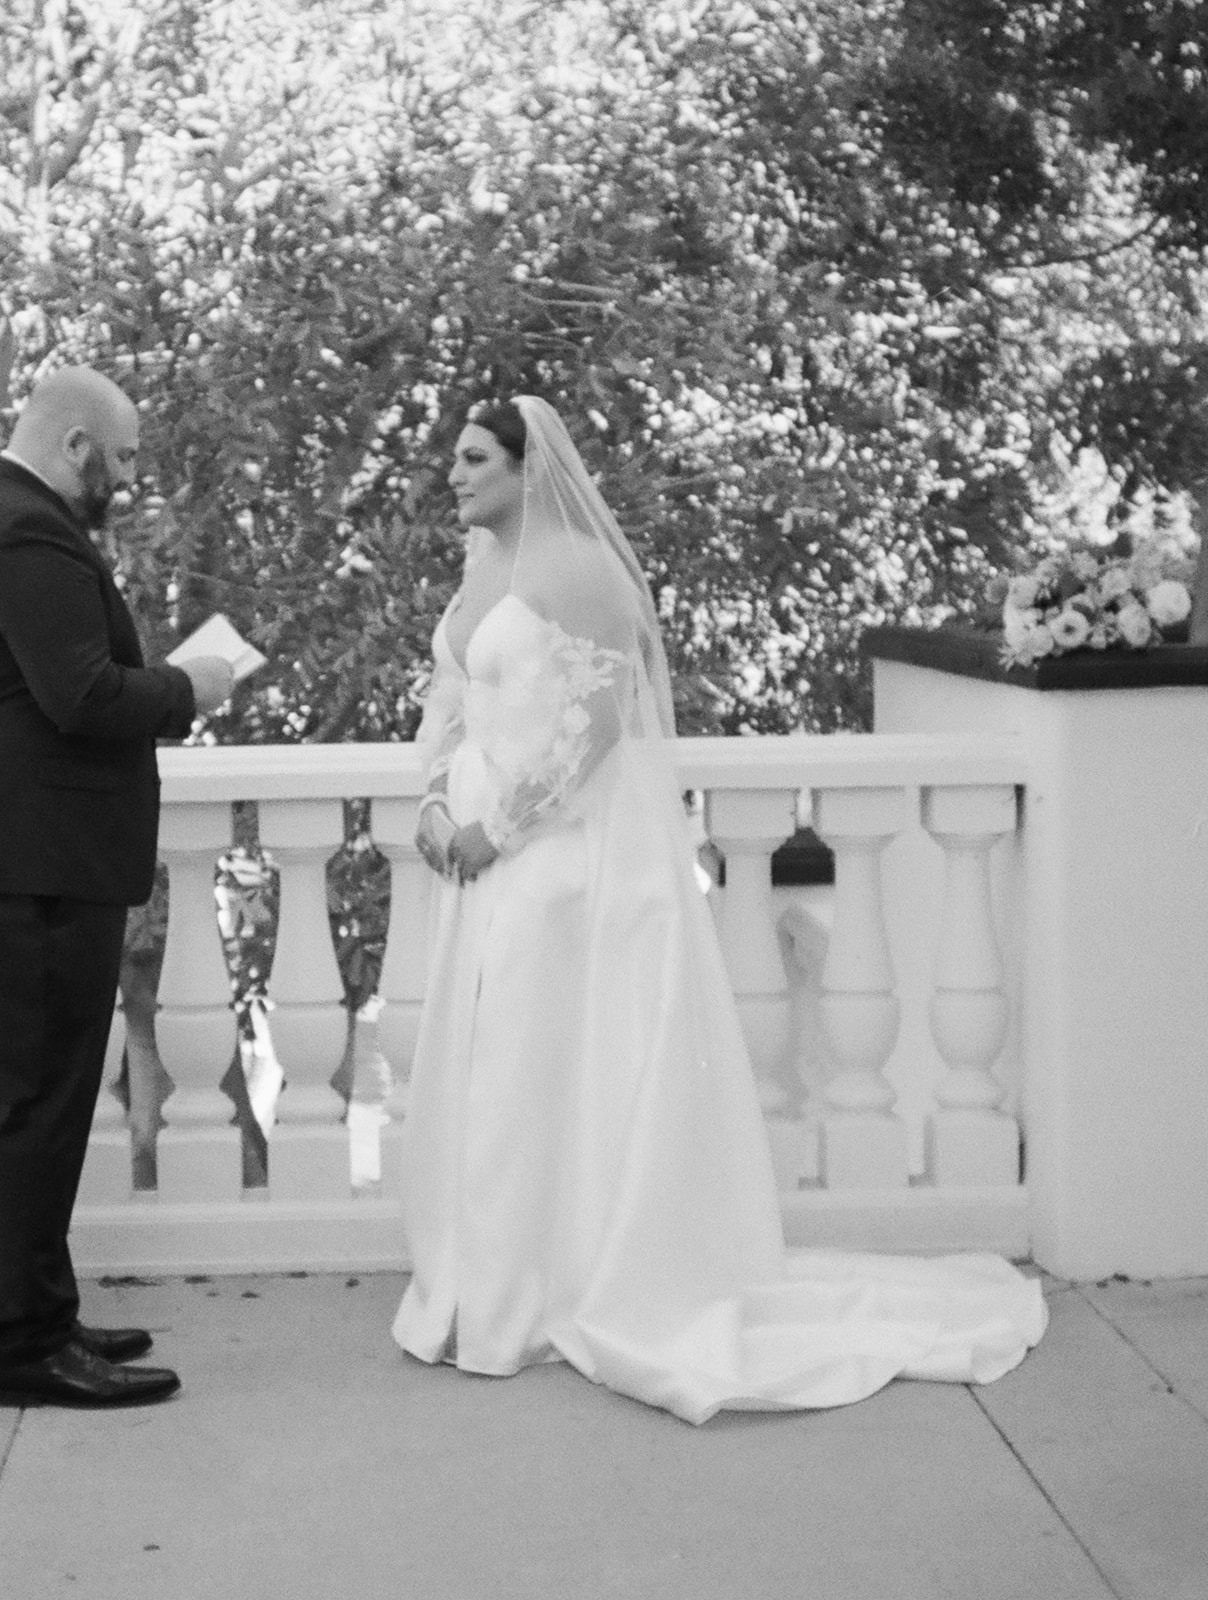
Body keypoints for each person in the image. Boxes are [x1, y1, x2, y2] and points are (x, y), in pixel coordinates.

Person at [391, 395, 1047, 1421]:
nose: (455, 476)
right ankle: (483, 1282)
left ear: (529, 468)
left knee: (543, 1060)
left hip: (556, 861)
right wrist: (434, 798)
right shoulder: (482, 573)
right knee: (490, 1066)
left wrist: (500, 827)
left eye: (474, 459)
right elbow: (446, 697)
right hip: (475, 861)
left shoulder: (580, 573)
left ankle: (552, 1287)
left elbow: (599, 723)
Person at [0, 366, 234, 1409]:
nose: (124, 480)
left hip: (14, 853)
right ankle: (30, 1344)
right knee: (37, 1099)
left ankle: (30, 1310)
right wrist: (193, 687)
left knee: (24, 1097)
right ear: (77, 445)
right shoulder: (23, 529)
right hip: (20, 858)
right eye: (121, 459)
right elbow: (81, 695)